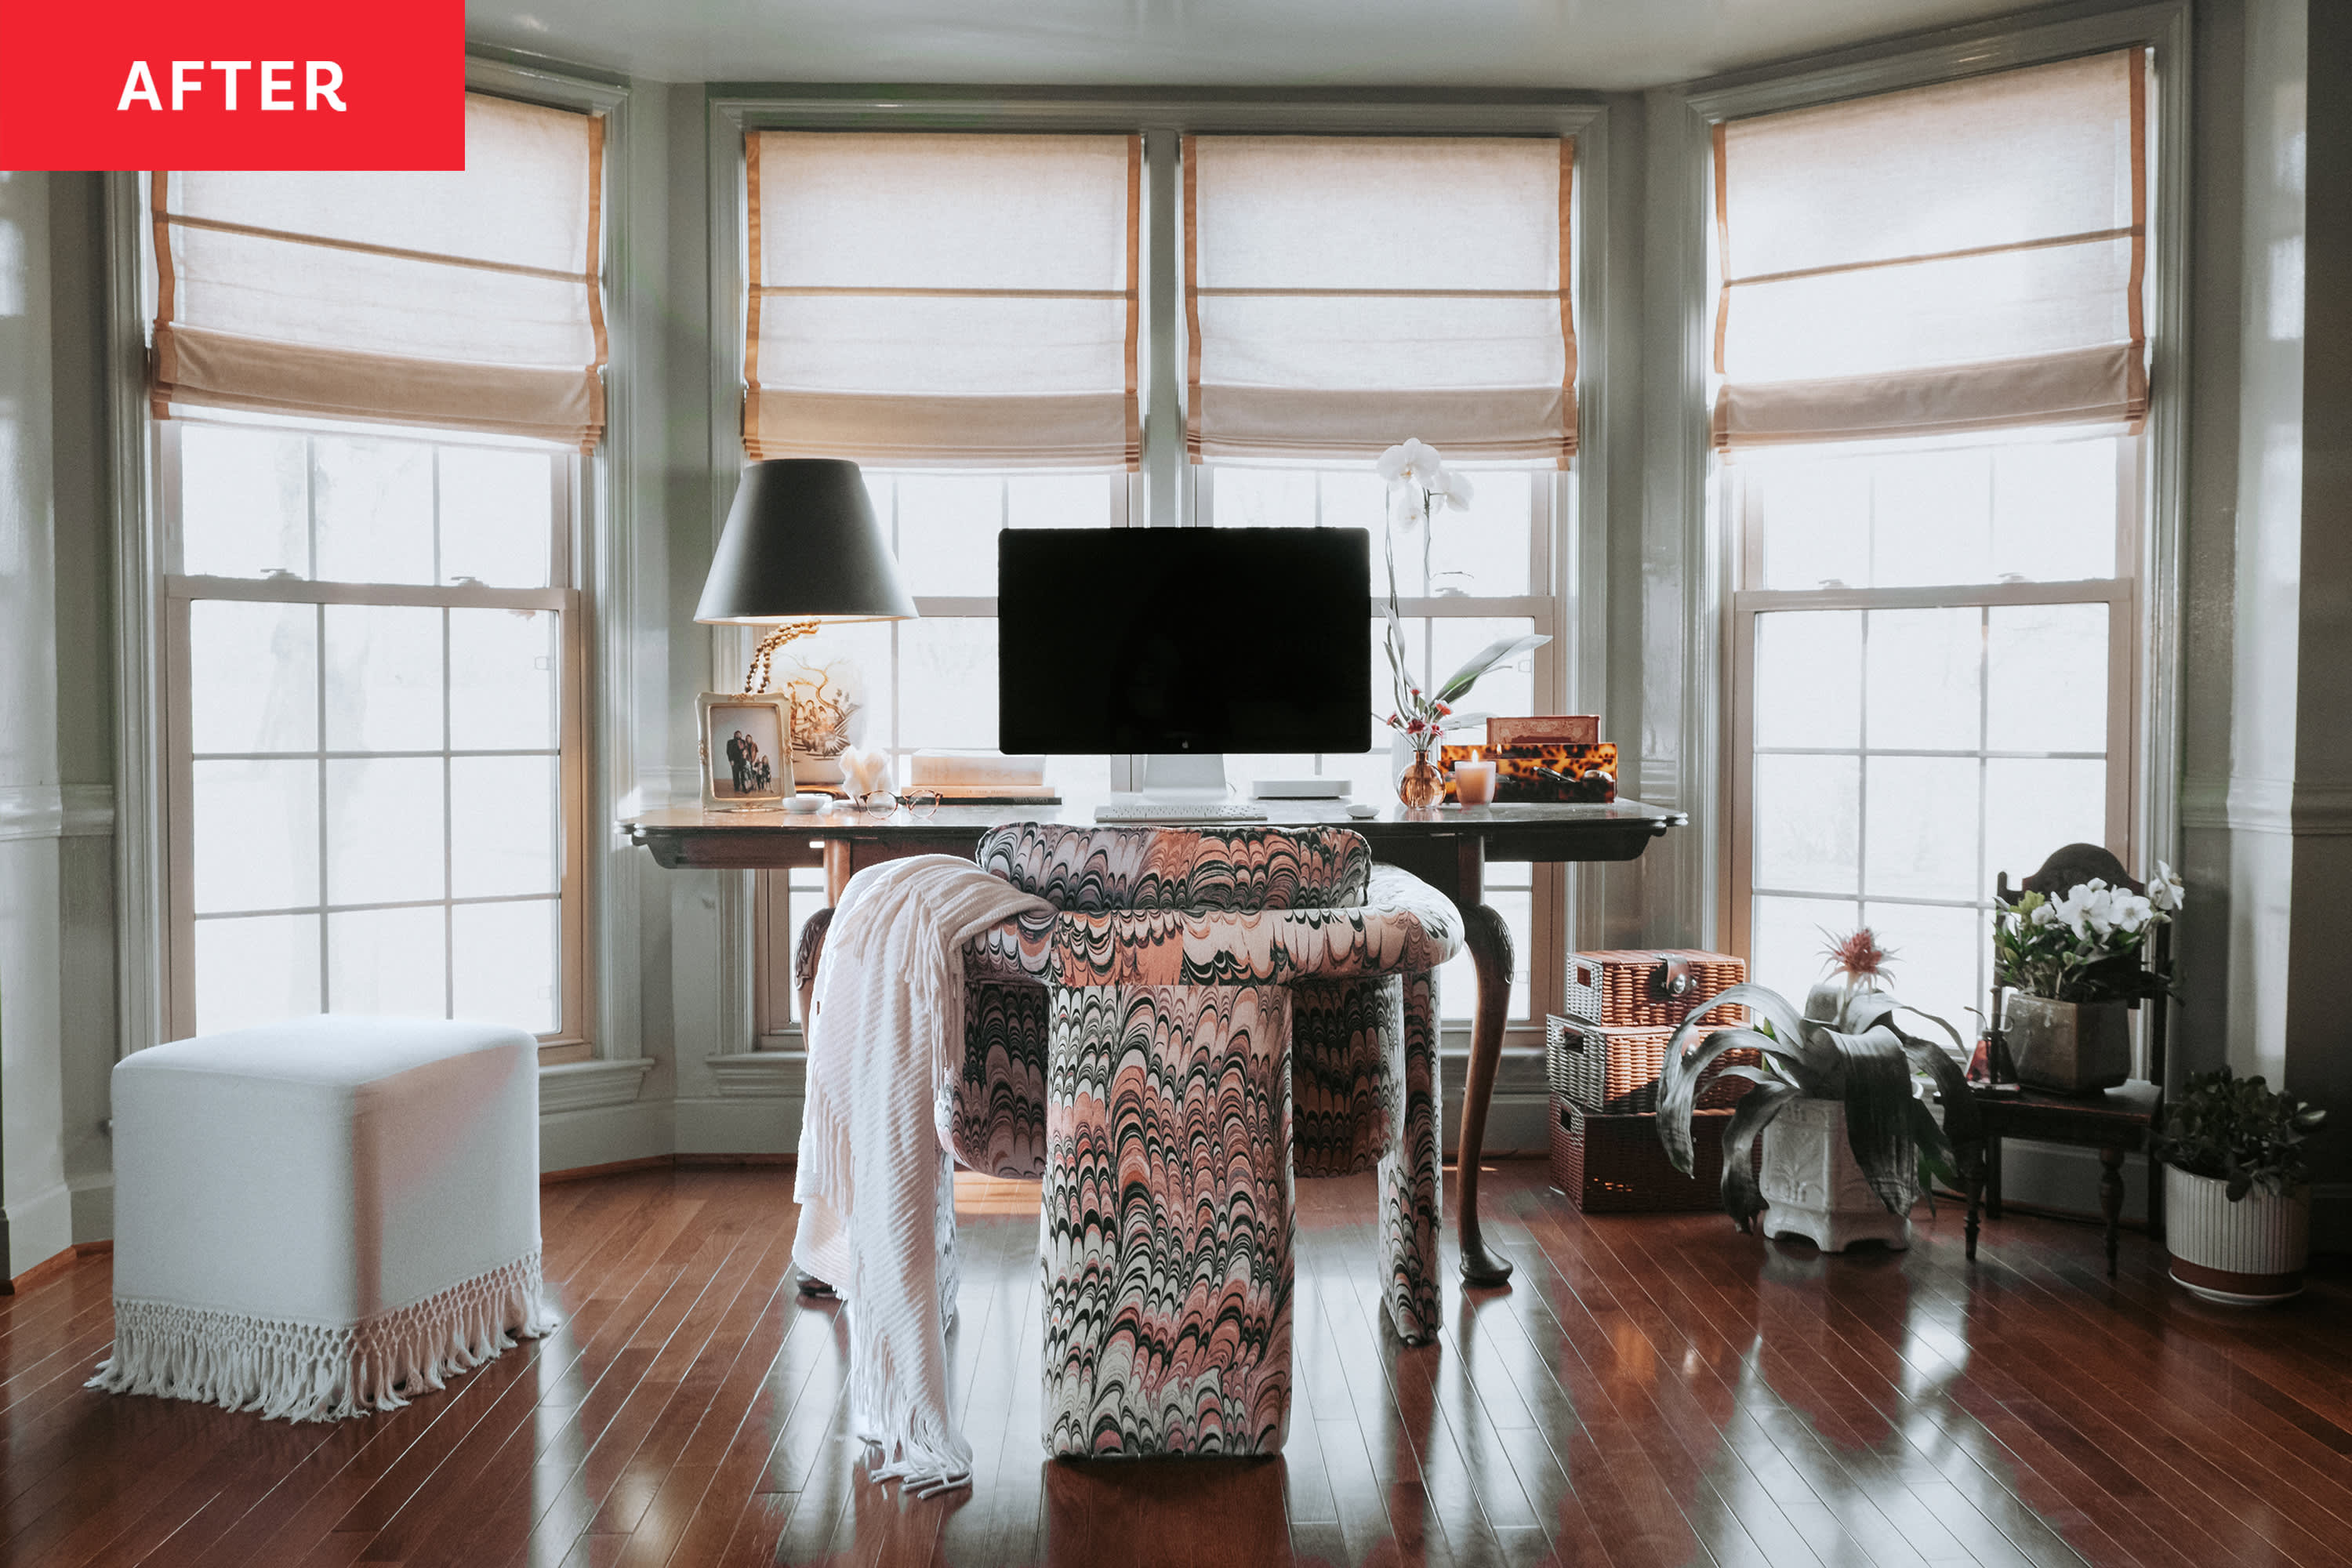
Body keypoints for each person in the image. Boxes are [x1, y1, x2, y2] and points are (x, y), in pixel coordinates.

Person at [725, 729, 750, 794]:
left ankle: (744, 787)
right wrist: (731, 760)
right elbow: (728, 752)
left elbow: (746, 749)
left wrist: (746, 754)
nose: (738, 735)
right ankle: (737, 787)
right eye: (737, 734)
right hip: (735, 761)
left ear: (741, 735)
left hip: (742, 761)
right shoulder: (730, 742)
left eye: (740, 734)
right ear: (735, 735)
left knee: (743, 774)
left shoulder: (744, 741)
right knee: (735, 775)